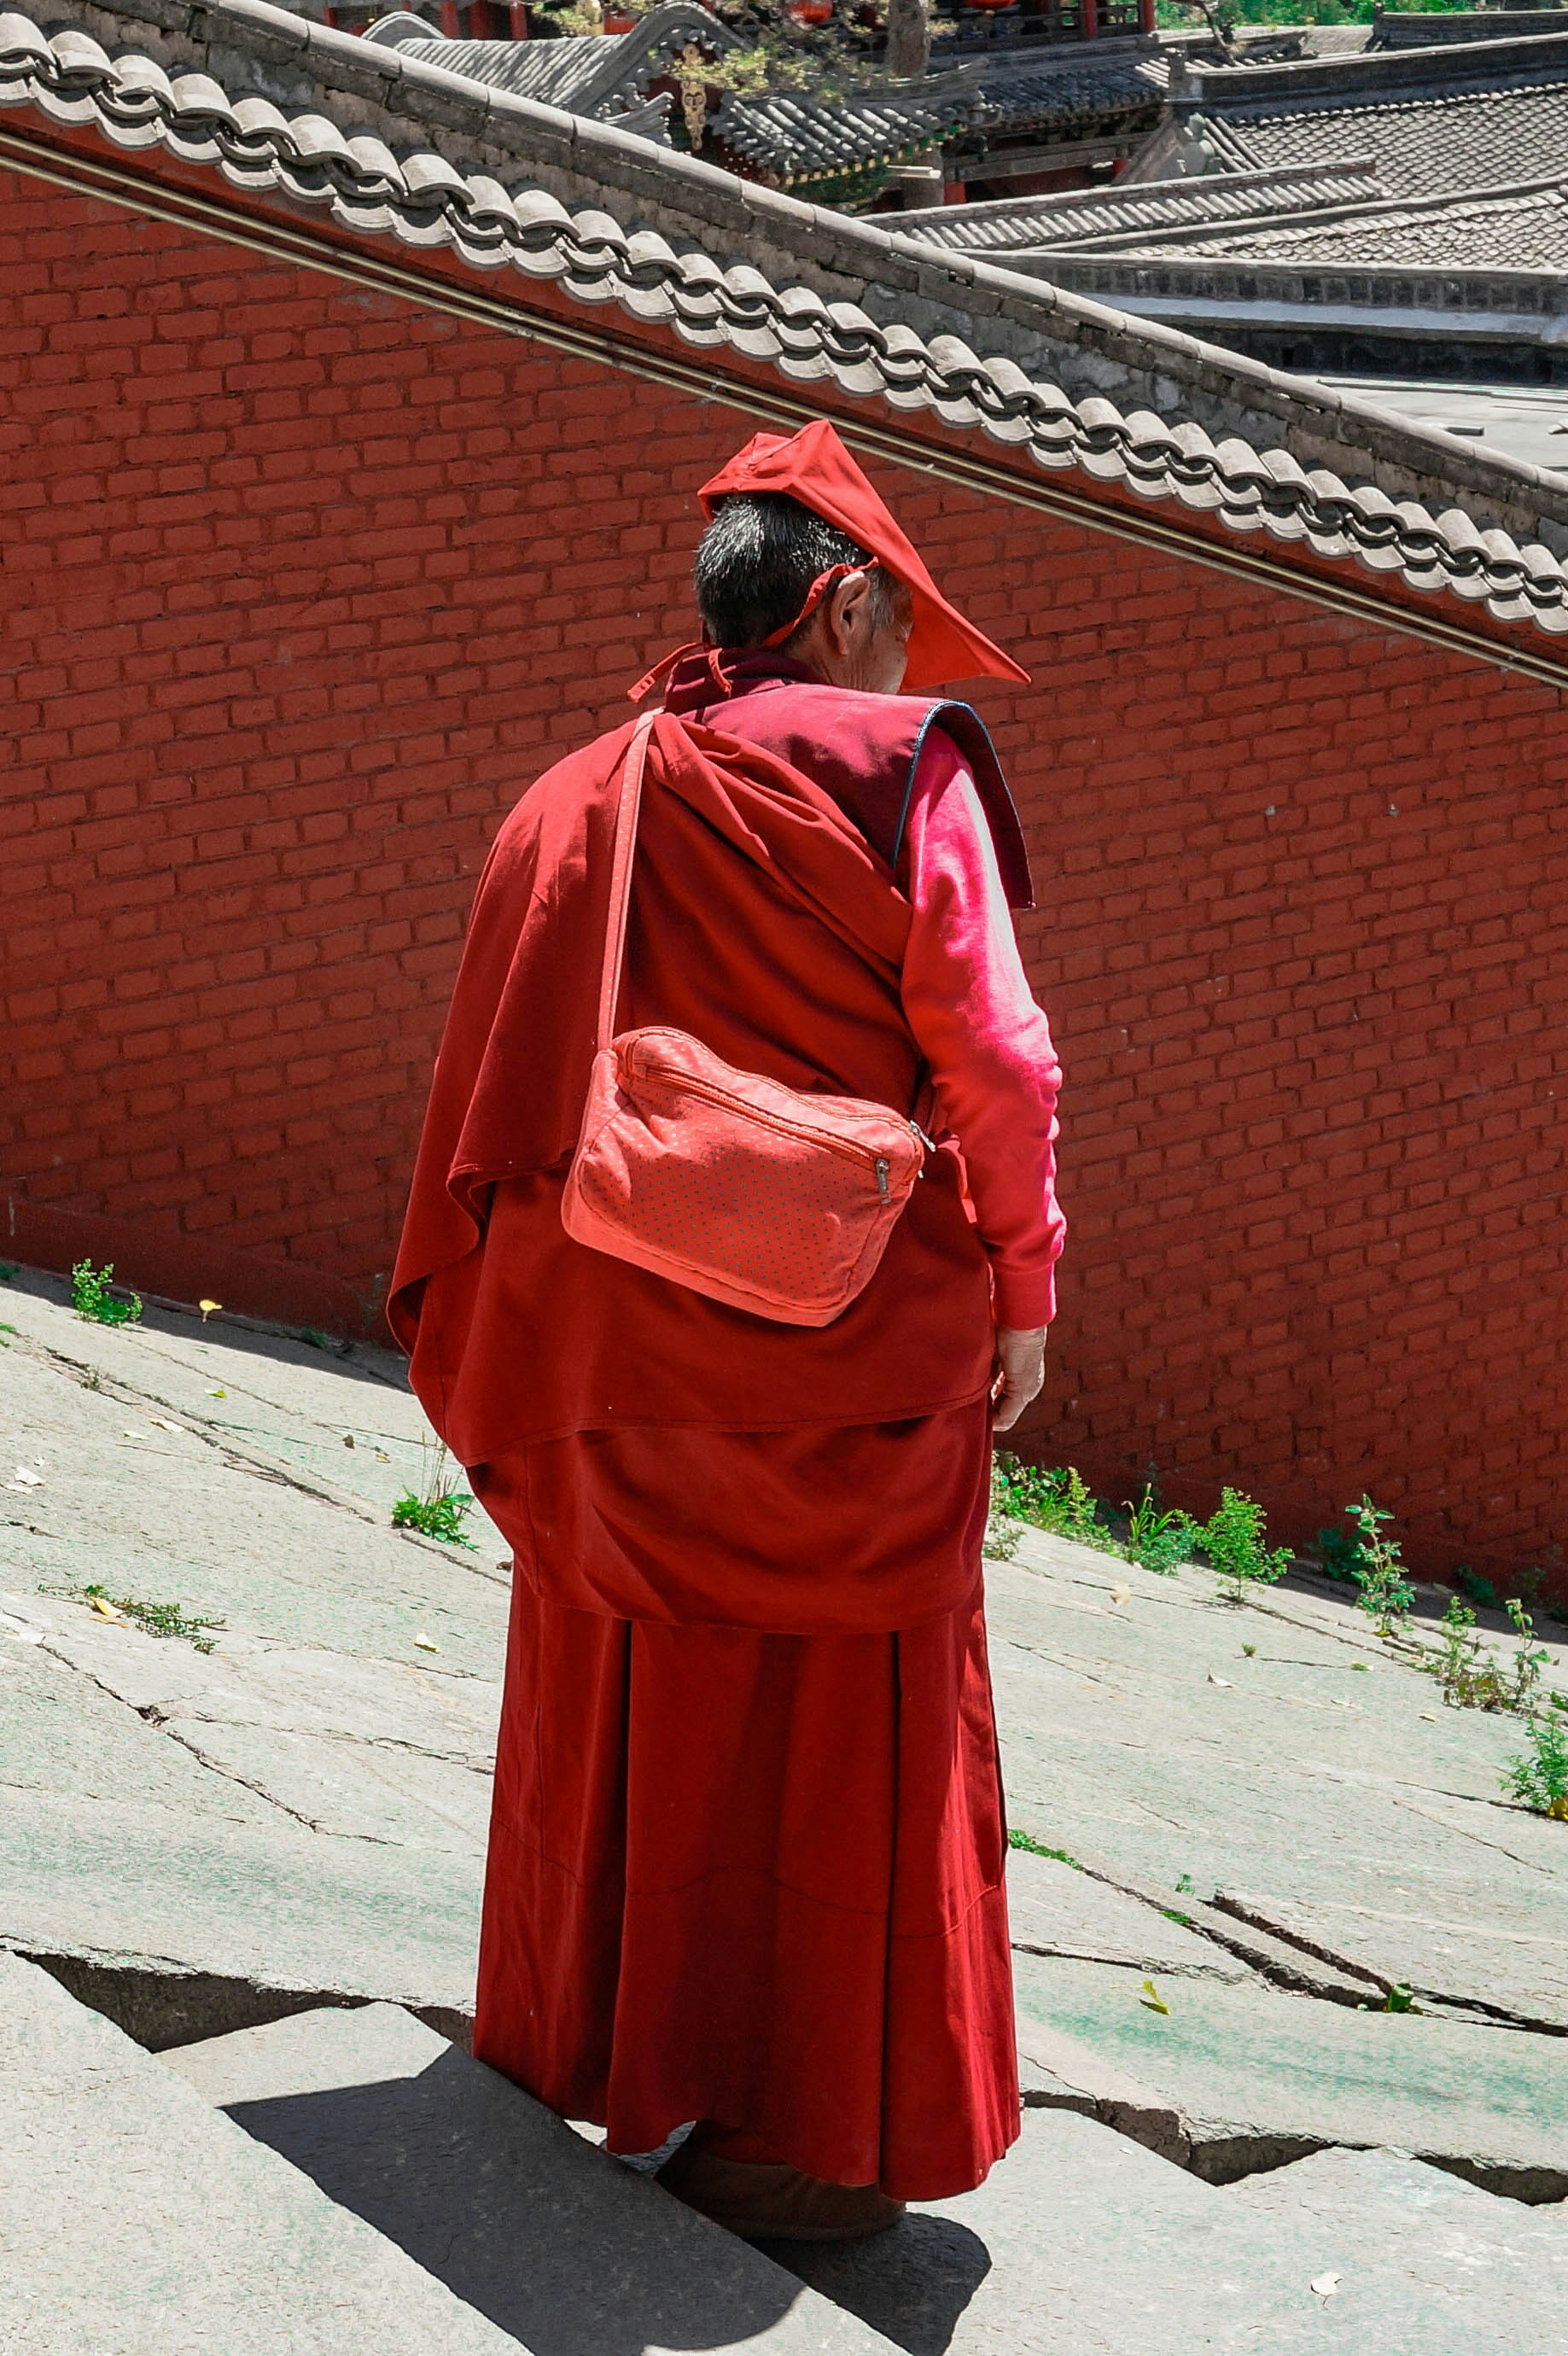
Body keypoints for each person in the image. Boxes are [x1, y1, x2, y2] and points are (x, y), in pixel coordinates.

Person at [386, 421, 1065, 2243]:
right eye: (897, 632)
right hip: (839, 1366)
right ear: (839, 608)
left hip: (609, 1361)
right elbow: (996, 1060)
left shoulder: (580, 793)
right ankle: (810, 2139)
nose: (905, 674)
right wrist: (1025, 1285)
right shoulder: (892, 771)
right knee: (850, 1722)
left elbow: (491, 1117)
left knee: (616, 1687)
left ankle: (584, 2046)